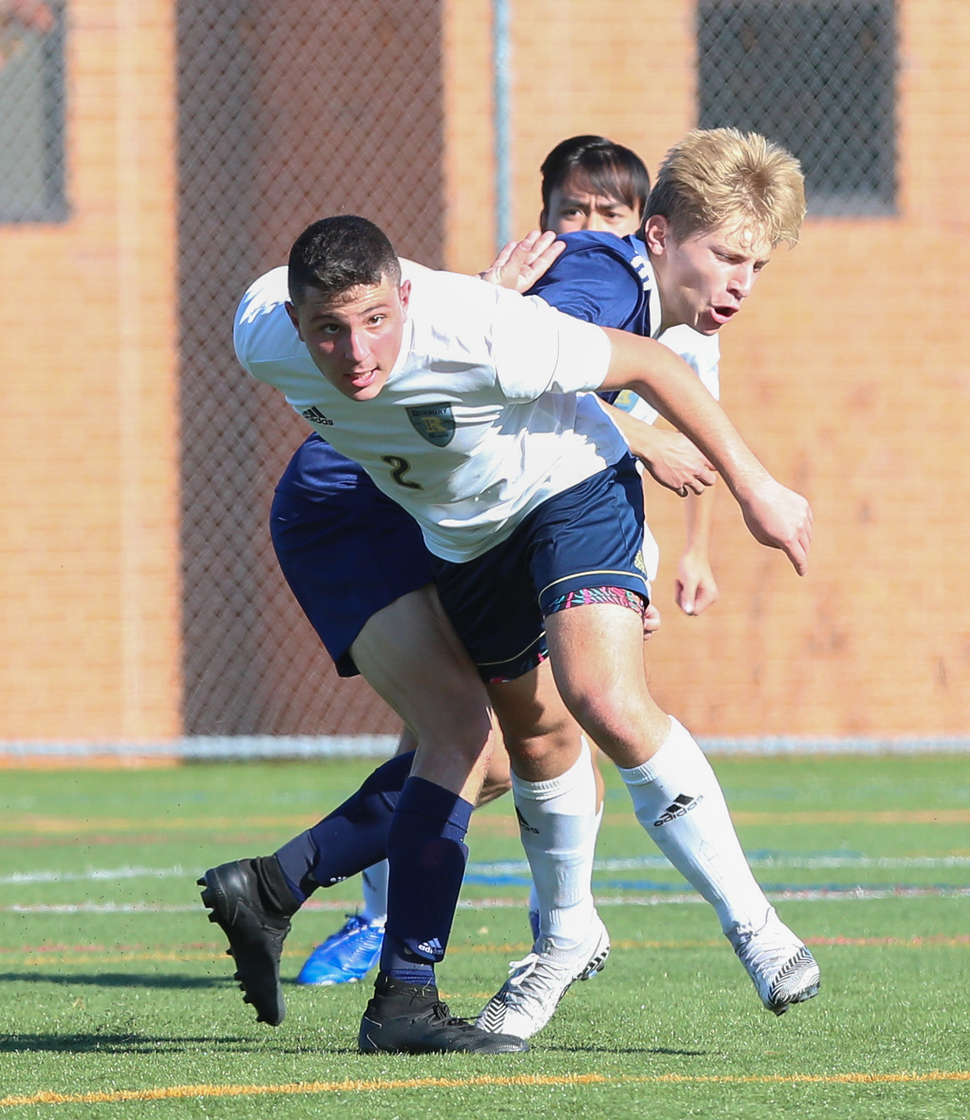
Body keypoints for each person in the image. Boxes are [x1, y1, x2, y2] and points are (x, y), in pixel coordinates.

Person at [201, 129, 820, 1056]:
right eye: (726, 255)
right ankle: (546, 937)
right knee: (515, 741)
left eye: (753, 264)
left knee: (597, 697)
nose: (354, 351)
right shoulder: (266, 330)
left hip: (568, 496)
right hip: (456, 534)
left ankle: (755, 928)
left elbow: (646, 368)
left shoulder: (511, 321)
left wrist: (753, 490)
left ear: (406, 299)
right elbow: (614, 361)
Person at [294, 134, 722, 989]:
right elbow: (518, 390)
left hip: (581, 526)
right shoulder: (543, 294)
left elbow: (689, 435)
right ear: (543, 220)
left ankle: (553, 917)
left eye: (610, 213)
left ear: (650, 231)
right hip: (480, 521)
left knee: (556, 725)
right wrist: (493, 296)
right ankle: (373, 909)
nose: (590, 227)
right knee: (454, 736)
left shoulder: (682, 321)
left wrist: (692, 550)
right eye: (572, 211)